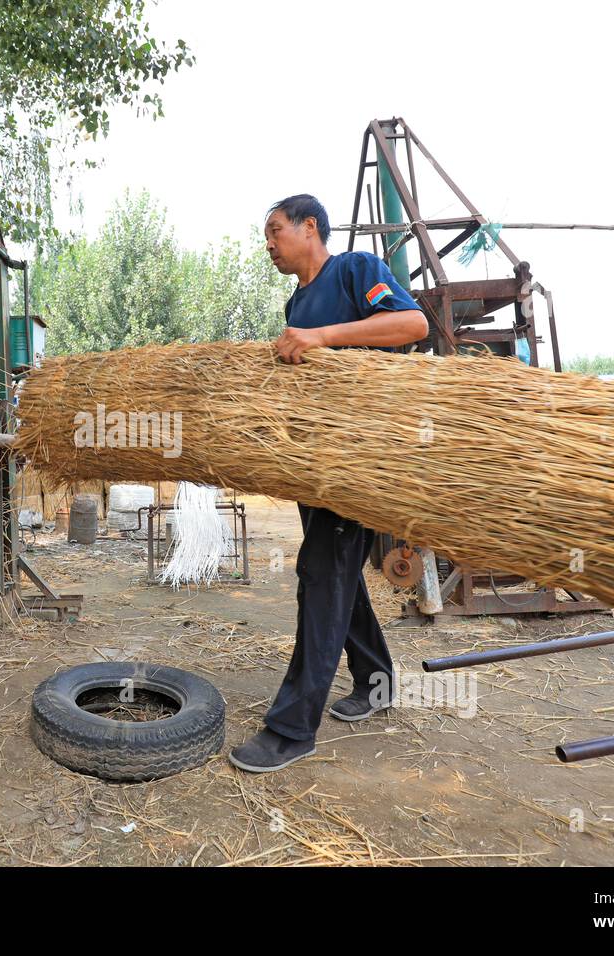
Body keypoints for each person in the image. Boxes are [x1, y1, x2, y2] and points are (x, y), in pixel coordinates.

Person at [228, 194, 429, 773]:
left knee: (322, 571)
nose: (267, 243)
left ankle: (292, 729)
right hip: (311, 464)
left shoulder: (355, 270)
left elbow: (411, 324)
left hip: (354, 461)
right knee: (338, 571)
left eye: (274, 230)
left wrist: (319, 338)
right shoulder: (297, 298)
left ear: (309, 226)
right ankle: (376, 683)